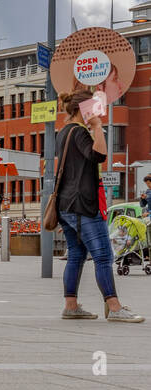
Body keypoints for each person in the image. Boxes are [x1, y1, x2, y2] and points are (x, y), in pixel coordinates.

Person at [53, 90, 143, 323]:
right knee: (103, 256)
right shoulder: (80, 132)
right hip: (84, 205)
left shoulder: (63, 132)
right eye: (93, 108)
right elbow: (99, 155)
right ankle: (114, 307)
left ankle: (71, 306)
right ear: (82, 109)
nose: (97, 112)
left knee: (76, 254)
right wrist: (97, 126)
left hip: (66, 204)